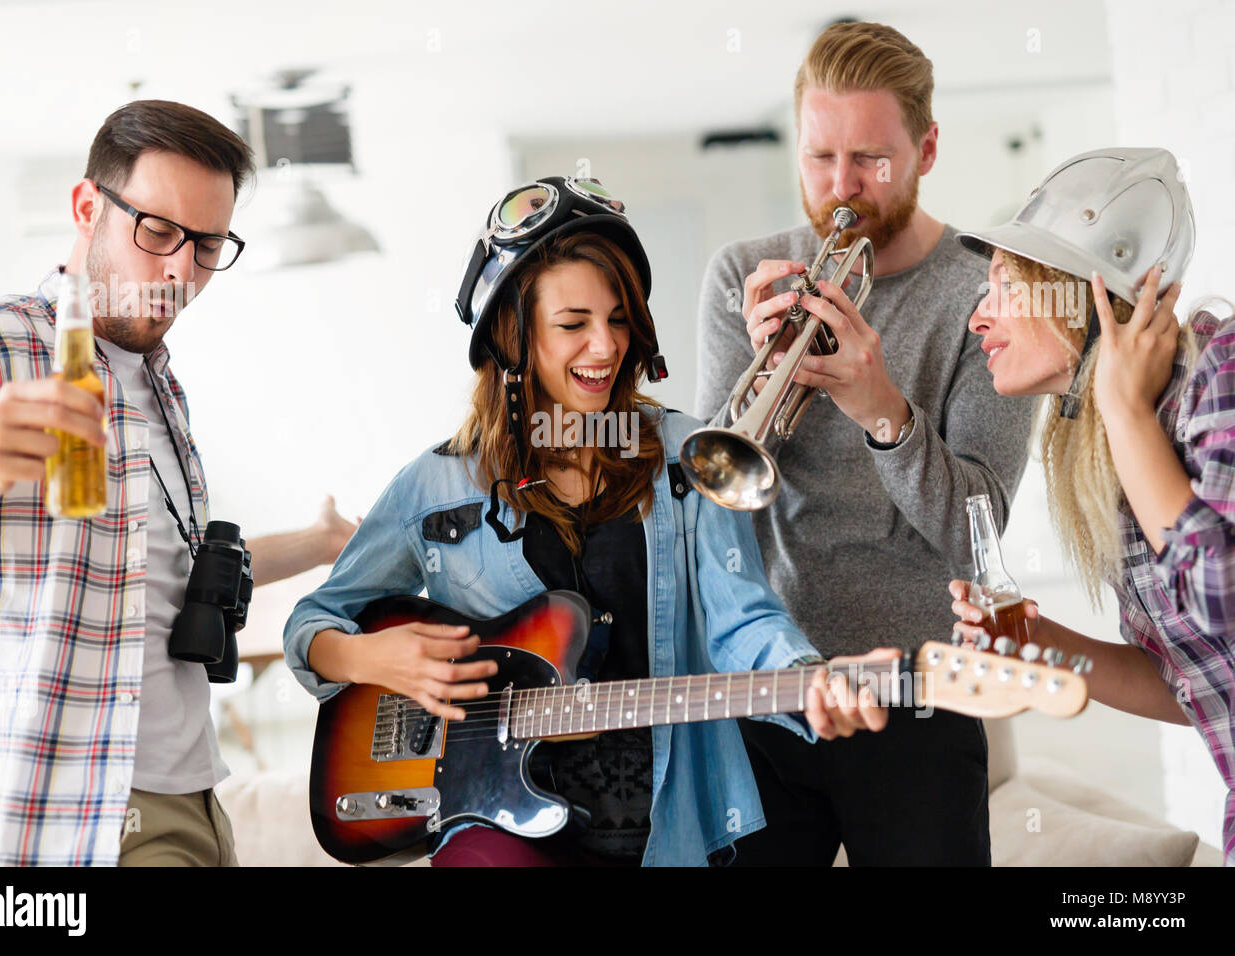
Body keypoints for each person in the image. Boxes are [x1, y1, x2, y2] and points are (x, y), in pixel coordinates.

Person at [284, 175, 899, 867]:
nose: (605, 347)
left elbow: (743, 620)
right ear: (514, 336)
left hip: (662, 829)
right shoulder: (434, 482)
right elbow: (313, 622)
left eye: (616, 319)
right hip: (491, 825)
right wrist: (368, 655)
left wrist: (807, 676)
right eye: (573, 325)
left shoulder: (687, 455)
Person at [0, 100, 358, 866]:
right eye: (157, 233)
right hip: (70, 815)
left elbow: (164, 575)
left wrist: (319, 542)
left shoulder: (163, 388)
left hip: (193, 793)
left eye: (207, 246)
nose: (178, 271)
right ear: (86, 206)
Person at [693, 21, 1035, 865]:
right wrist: (762, 360)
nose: (842, 187)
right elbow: (710, 509)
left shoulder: (981, 290)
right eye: (819, 158)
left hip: (920, 694)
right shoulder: (747, 275)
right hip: (768, 693)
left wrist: (883, 409)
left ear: (925, 147)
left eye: (872, 160)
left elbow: (974, 533)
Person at [949, 146, 1235, 866]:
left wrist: (1125, 412)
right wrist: (1039, 645)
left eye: (1005, 286)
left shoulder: (1220, 375)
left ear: (1084, 291)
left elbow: (1224, 597)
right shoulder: (1109, 445)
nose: (978, 319)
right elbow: (1193, 684)